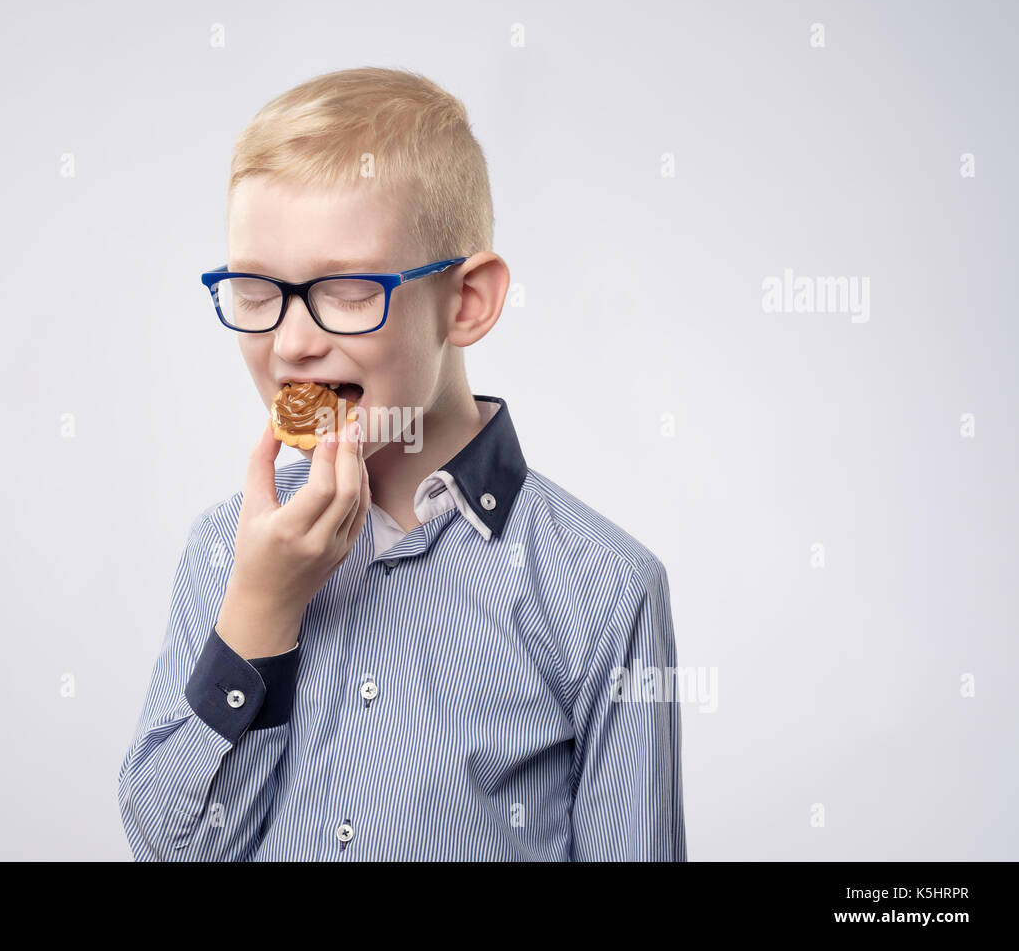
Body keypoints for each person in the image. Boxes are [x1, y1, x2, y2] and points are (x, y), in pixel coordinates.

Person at [119, 66, 686, 861]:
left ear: (467, 302)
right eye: (257, 290)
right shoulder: (225, 550)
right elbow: (172, 850)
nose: (290, 345)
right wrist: (259, 609)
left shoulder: (602, 588)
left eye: (347, 290)